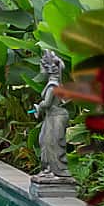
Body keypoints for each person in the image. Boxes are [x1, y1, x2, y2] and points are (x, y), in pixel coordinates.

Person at [31, 50, 71, 179]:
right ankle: (48, 169)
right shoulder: (54, 84)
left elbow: (47, 103)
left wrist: (38, 107)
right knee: (44, 140)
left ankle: (57, 170)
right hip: (52, 116)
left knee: (52, 143)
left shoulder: (52, 86)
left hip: (56, 117)